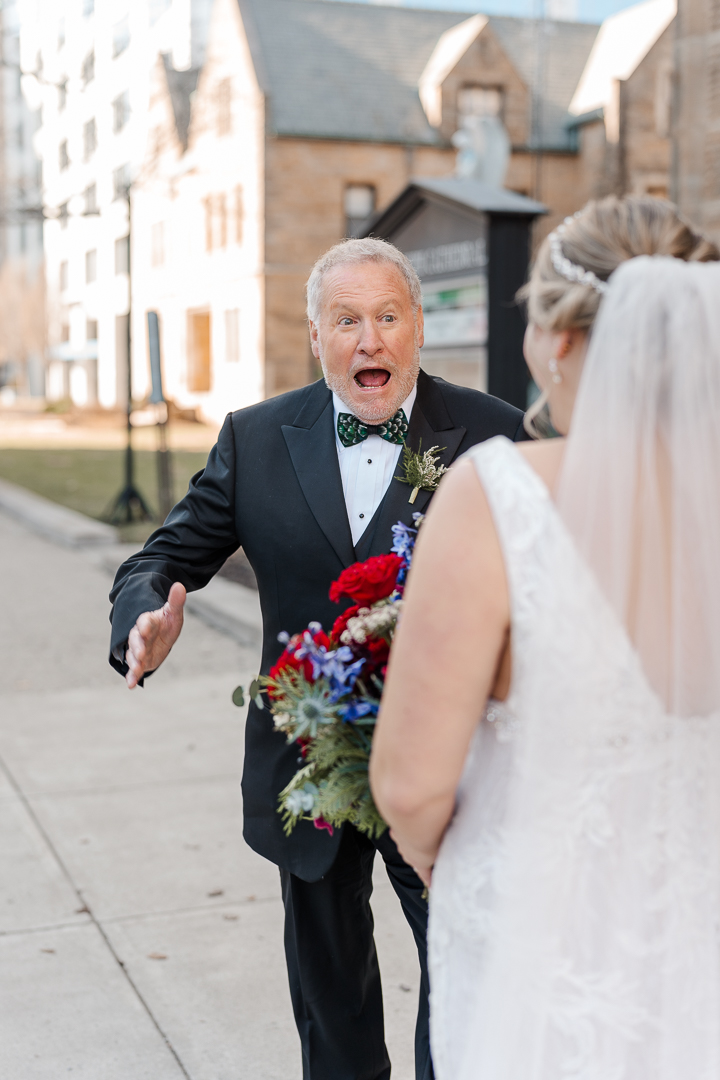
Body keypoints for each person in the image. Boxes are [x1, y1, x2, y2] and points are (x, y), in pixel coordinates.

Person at [108, 237, 527, 1080]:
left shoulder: (494, 434)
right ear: (315, 335)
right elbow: (160, 559)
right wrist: (145, 614)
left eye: (387, 317)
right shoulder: (256, 438)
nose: (370, 340)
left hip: (452, 771)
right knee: (331, 1006)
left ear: (417, 327)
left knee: (469, 991)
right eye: (346, 320)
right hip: (307, 768)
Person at [370, 196, 720, 1079]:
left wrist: (460, 870)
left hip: (548, 956)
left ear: (558, 340)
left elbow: (411, 786)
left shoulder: (499, 498)